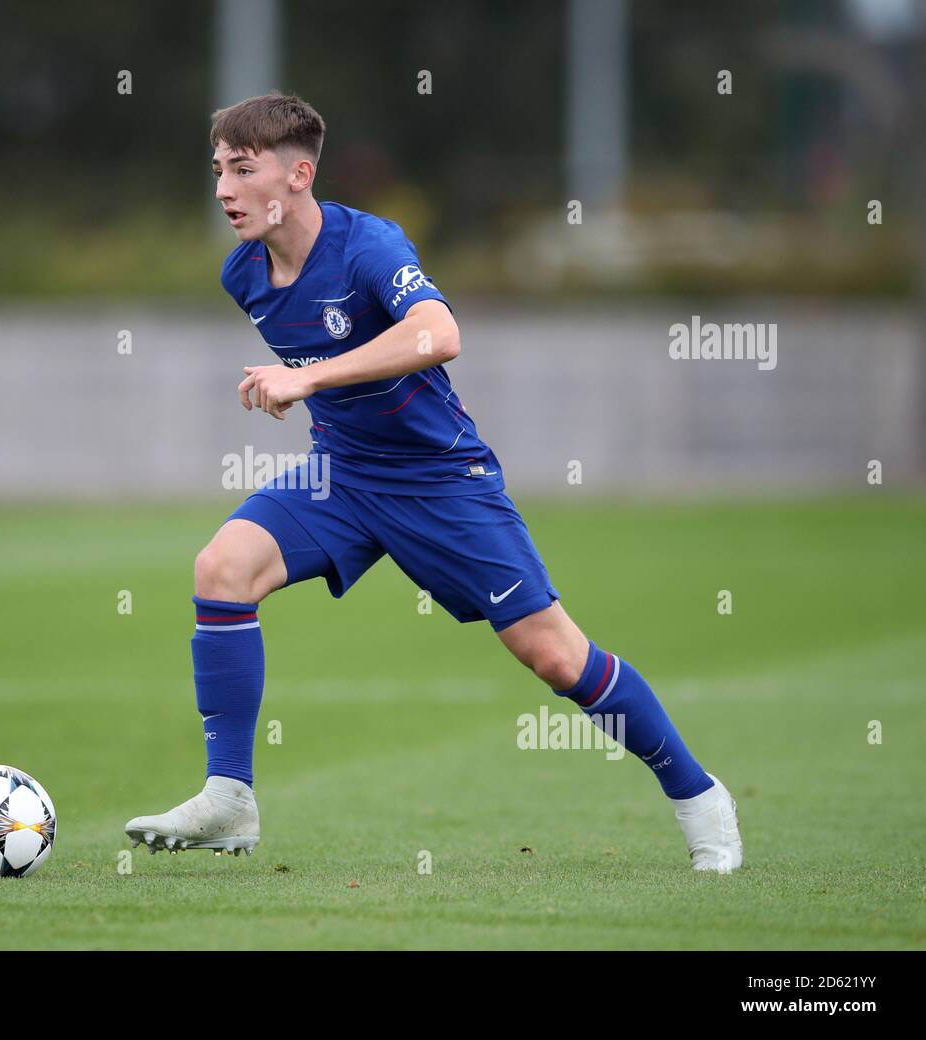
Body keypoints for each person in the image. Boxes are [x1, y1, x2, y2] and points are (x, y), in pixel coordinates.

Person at [125, 92, 742, 872]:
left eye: (243, 171)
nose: (223, 190)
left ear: (298, 176)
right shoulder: (242, 273)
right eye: (218, 170)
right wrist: (314, 392)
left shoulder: (368, 245)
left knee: (556, 657)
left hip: (441, 481)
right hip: (342, 476)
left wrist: (307, 378)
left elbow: (439, 333)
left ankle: (697, 794)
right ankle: (230, 797)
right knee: (221, 567)